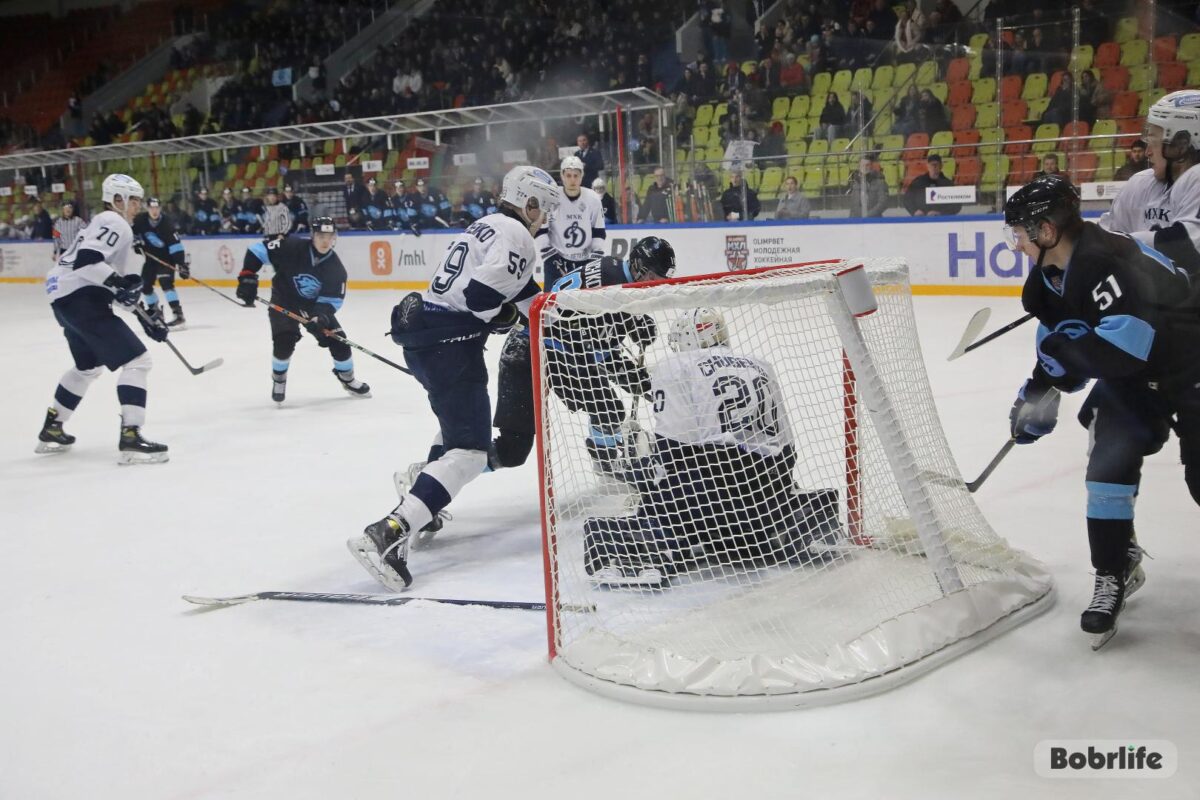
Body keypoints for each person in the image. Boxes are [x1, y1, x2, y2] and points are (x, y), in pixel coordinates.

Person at [1002, 174, 1200, 648]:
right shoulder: (1046, 281)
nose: (1017, 242)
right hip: (1135, 380)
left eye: (1021, 232)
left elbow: (1125, 348)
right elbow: (1066, 350)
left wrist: (1064, 354)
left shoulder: (1103, 260)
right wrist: (1038, 395)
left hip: (1190, 366)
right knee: (1107, 468)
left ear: (1046, 231)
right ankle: (1115, 568)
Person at [350, 166, 563, 591]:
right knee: (469, 451)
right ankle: (388, 533)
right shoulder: (518, 235)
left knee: (456, 433)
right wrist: (503, 318)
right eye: (544, 207)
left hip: (428, 340)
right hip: (451, 346)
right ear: (530, 202)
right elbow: (481, 297)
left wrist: (556, 317)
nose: (546, 217)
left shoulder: (484, 225)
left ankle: (421, 501)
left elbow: (526, 297)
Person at [582, 308, 840, 587]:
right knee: (739, 478)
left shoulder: (676, 366)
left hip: (713, 497)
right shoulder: (761, 364)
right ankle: (789, 519)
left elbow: (672, 449)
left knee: (656, 491)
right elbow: (787, 449)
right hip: (768, 498)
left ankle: (649, 542)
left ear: (688, 338)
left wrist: (644, 475)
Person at [37, 173, 170, 463]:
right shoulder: (114, 221)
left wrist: (149, 320)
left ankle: (53, 426)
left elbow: (121, 291)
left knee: (88, 366)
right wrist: (120, 285)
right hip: (80, 297)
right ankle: (131, 436)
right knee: (138, 361)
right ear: (118, 199)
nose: (138, 206)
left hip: (66, 299)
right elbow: (88, 262)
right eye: (133, 200)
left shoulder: (117, 230)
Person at [543, 237, 677, 477]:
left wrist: (637, 322)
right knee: (608, 409)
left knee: (643, 384)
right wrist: (632, 323)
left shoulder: (618, 278)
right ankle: (606, 464)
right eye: (652, 277)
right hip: (555, 348)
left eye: (660, 280)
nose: (654, 285)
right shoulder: (611, 285)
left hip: (577, 344)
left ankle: (609, 456)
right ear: (638, 266)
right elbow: (589, 339)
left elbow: (601, 336)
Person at [236, 216, 371, 404]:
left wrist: (320, 317)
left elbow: (331, 299)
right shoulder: (291, 247)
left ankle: (347, 379)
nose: (325, 240)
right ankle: (279, 380)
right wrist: (247, 276)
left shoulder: (336, 268)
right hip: (284, 298)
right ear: (313, 235)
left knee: (339, 342)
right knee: (284, 340)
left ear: (334, 237)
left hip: (312, 306)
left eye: (329, 236)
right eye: (321, 236)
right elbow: (256, 251)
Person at [1100, 91, 1200, 275]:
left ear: (1182, 145)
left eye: (1153, 141)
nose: (1147, 152)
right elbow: (1103, 239)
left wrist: (1125, 244)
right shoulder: (1140, 183)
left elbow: (1187, 246)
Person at [538, 155, 607, 287]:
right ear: (562, 176)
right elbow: (541, 231)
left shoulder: (592, 198)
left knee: (586, 304)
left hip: (585, 262)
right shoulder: (551, 197)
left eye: (576, 175)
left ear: (582, 176)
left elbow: (599, 232)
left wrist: (594, 257)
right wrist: (551, 257)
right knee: (550, 303)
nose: (572, 180)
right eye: (568, 175)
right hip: (556, 261)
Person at [132, 196, 190, 329]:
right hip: (150, 259)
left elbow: (176, 245)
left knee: (166, 283)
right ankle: (155, 312)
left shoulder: (167, 223)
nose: (154, 211)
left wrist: (181, 264)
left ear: (160, 208)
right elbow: (132, 233)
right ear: (147, 208)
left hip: (166, 259)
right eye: (152, 208)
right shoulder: (140, 220)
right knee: (145, 286)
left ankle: (178, 315)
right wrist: (136, 243)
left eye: (157, 208)